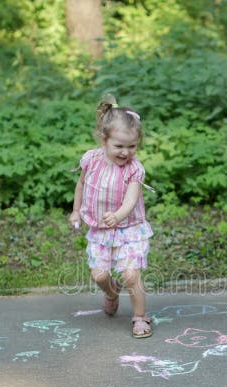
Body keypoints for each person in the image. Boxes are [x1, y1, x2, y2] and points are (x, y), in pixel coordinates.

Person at [69, 94, 154, 338]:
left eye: (132, 146)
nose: (126, 152)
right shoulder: (91, 160)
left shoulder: (134, 169)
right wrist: (76, 211)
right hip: (100, 229)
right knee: (99, 275)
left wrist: (118, 216)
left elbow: (131, 199)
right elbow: (81, 185)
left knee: (131, 275)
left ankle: (140, 317)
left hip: (129, 228)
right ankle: (111, 292)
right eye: (119, 146)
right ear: (103, 139)